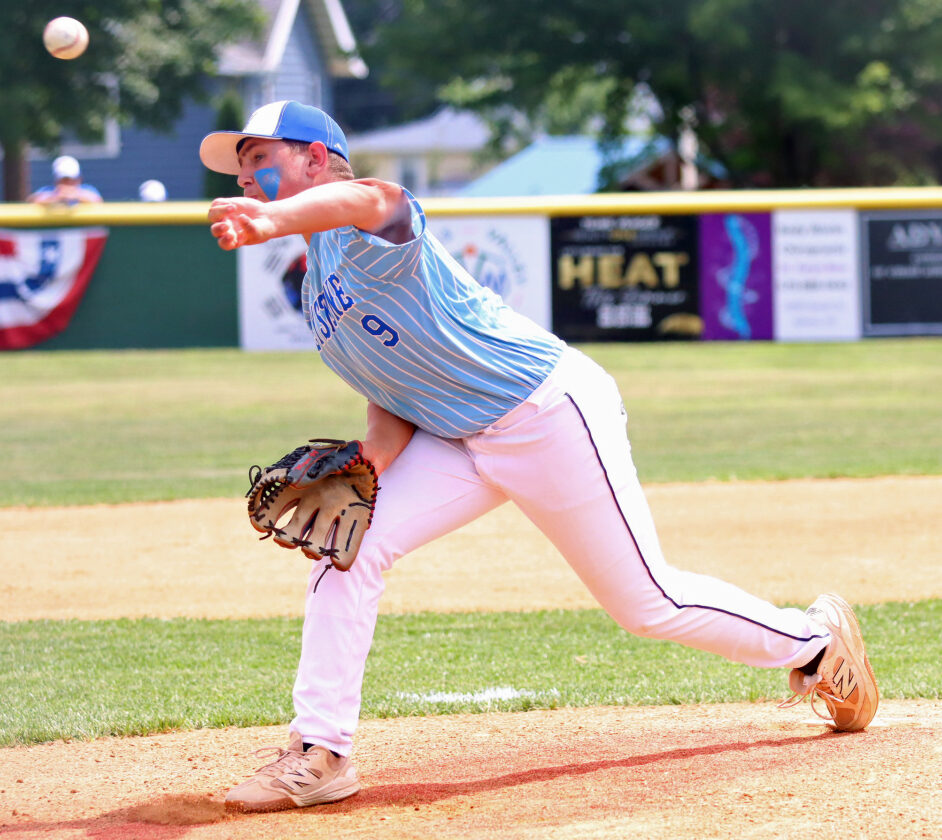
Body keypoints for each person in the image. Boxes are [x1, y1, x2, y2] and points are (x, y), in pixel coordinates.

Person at [200, 100, 879, 814]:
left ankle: (815, 642)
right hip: (460, 438)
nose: (246, 178)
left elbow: (374, 196)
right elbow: (393, 396)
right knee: (348, 551)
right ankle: (321, 752)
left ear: (314, 157)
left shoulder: (369, 220)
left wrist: (272, 220)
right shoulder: (317, 291)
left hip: (546, 412)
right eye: (241, 166)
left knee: (646, 602)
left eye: (258, 159)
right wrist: (366, 462)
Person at [28, 155, 102, 205]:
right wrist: (56, 197)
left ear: (79, 179)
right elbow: (32, 201)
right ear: (56, 181)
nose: (68, 183)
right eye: (64, 179)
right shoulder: (49, 191)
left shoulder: (87, 190)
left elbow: (98, 201)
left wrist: (77, 195)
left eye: (72, 179)